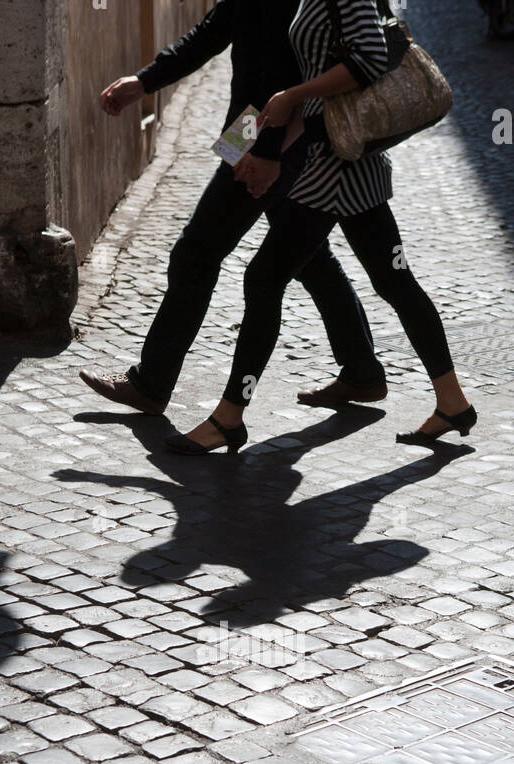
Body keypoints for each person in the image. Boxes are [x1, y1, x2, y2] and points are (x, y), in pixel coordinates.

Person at [166, 0, 475, 455]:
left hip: (333, 165)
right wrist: (247, 149)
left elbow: (363, 62)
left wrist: (276, 125)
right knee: (386, 279)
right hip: (321, 154)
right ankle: (443, 398)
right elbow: (262, 72)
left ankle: (226, 414)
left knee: (264, 275)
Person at [82, 0, 387, 415]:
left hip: (274, 134)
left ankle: (152, 383)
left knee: (197, 253)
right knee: (308, 254)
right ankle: (363, 370)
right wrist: (145, 81)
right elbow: (210, 33)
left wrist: (268, 152)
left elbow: (287, 70)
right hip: (245, 127)